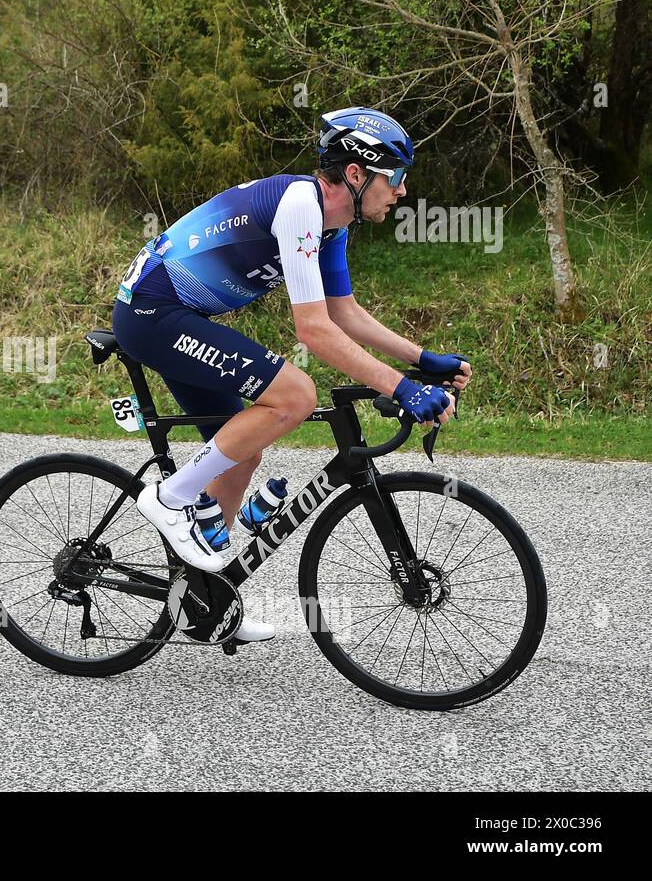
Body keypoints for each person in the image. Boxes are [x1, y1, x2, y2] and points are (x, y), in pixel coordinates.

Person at [112, 107, 471, 642]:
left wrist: (420, 359)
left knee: (242, 450)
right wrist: (400, 387)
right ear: (356, 174)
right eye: (395, 177)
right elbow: (314, 332)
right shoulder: (300, 205)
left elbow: (342, 312)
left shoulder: (332, 224)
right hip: (152, 313)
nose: (400, 191)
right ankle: (169, 498)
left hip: (178, 315)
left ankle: (205, 597)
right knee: (293, 396)